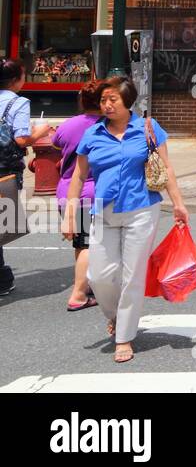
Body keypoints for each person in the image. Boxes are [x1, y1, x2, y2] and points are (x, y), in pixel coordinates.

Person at [62, 77, 188, 364]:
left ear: (127, 101)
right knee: (99, 275)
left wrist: (178, 204)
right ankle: (117, 315)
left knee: (132, 275)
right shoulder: (92, 134)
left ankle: (124, 337)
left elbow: (165, 167)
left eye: (112, 100)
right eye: (103, 100)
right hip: (103, 211)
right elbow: (77, 177)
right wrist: (70, 215)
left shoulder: (147, 128)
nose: (106, 105)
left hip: (142, 209)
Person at [0, 59, 55, 298]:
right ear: (16, 79)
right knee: (4, 222)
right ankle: (2, 278)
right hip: (5, 170)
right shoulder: (18, 102)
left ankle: (2, 276)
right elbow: (22, 139)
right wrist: (42, 130)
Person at [50, 83, 104, 311]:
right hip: (92, 190)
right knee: (89, 243)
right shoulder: (106, 126)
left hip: (67, 190)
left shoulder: (70, 124)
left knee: (81, 242)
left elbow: (55, 143)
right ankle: (79, 294)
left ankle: (87, 284)